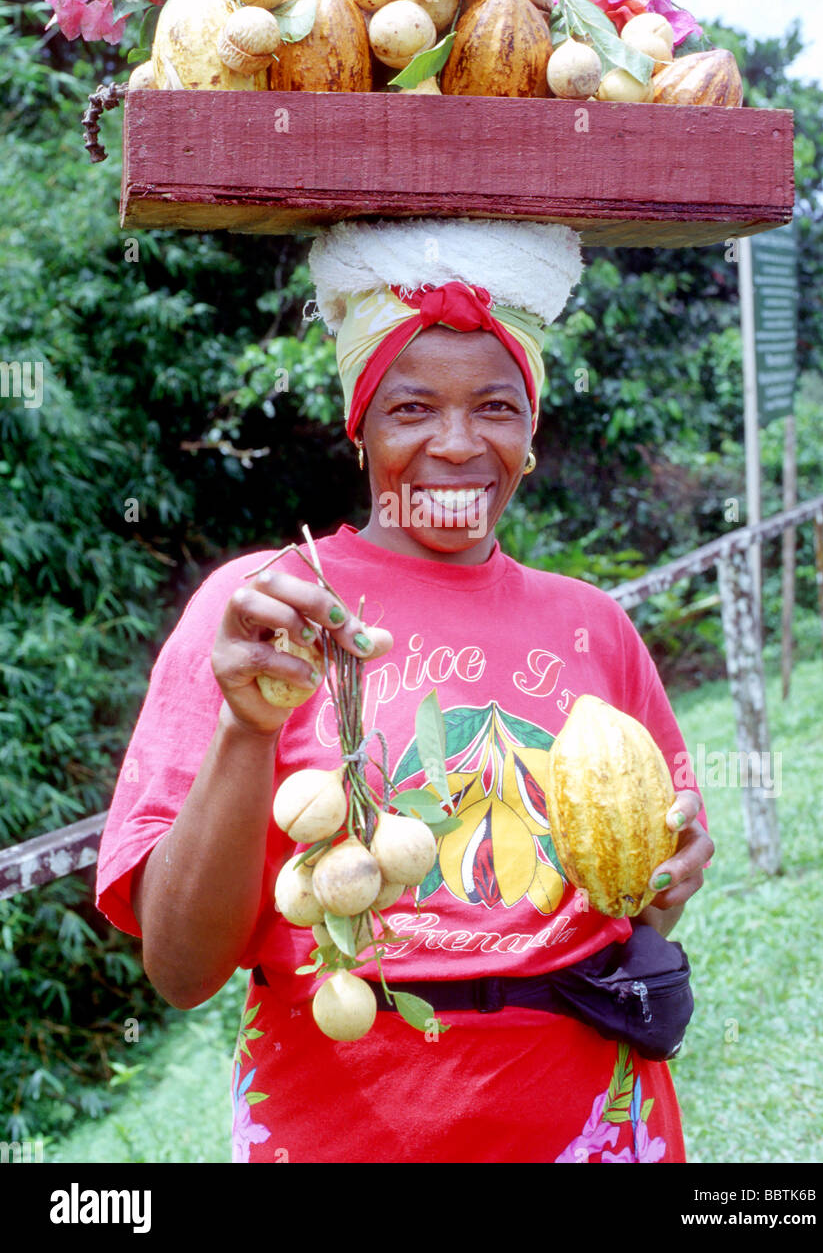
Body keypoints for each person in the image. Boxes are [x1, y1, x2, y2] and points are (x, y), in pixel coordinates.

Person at [96, 217, 713, 1164]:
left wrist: (664, 880)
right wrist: (244, 733)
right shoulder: (267, 611)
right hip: (337, 1128)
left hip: (592, 1123)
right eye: (413, 408)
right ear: (361, 424)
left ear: (533, 426)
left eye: (496, 408)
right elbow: (180, 970)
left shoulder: (593, 623)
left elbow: (639, 895)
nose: (458, 445)